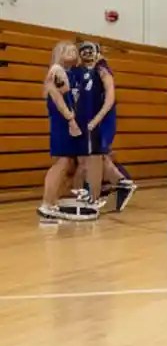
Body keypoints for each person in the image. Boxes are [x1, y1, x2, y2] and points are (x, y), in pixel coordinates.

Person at [73, 42, 137, 212]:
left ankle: (93, 199)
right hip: (87, 121)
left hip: (99, 121)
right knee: (97, 158)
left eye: (90, 50)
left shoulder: (101, 69)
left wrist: (96, 119)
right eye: (83, 51)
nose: (87, 53)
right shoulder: (81, 72)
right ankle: (122, 183)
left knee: (94, 158)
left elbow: (110, 98)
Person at [39, 42, 92, 221]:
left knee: (68, 162)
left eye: (74, 51)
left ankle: (52, 202)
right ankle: (47, 203)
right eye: (68, 50)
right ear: (59, 53)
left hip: (69, 121)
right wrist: (70, 119)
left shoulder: (71, 73)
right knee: (61, 162)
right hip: (62, 121)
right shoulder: (57, 70)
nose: (73, 53)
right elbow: (57, 97)